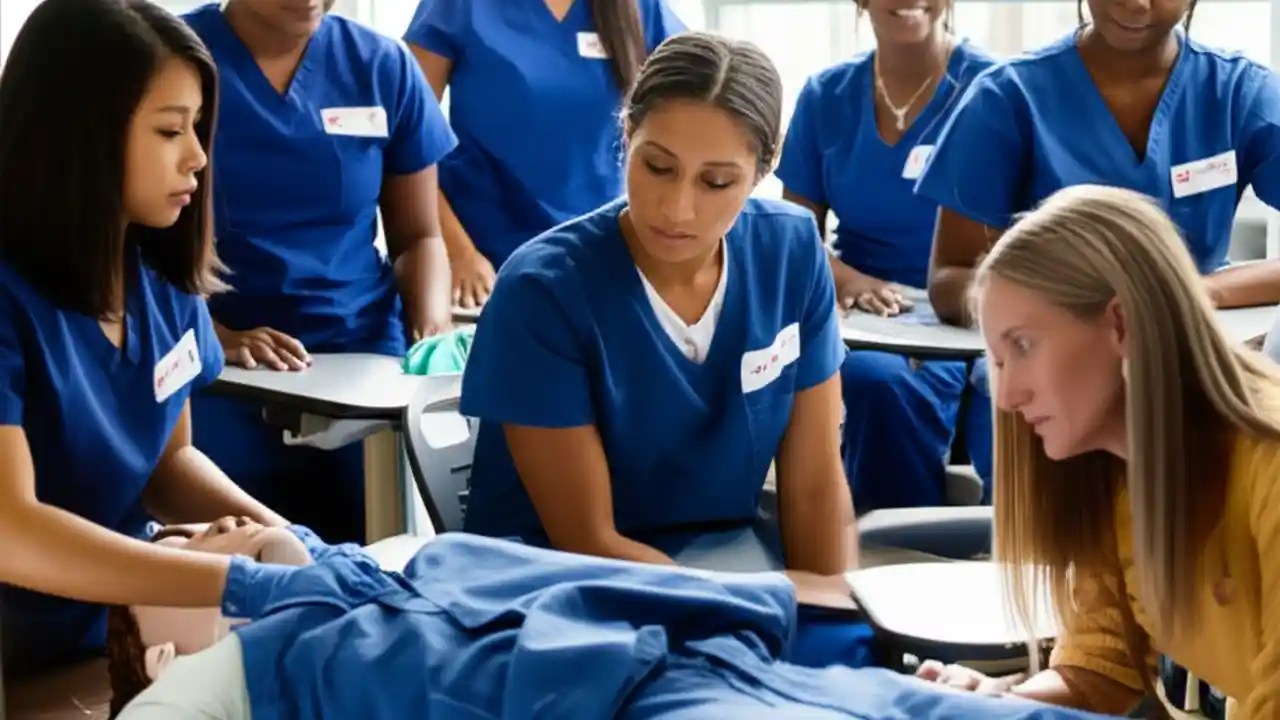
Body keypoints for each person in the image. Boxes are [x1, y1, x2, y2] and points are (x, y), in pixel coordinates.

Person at [459, 31, 852, 577]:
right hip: (559, 593)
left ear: (764, 169)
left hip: (726, 568)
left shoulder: (790, 253)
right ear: (627, 133)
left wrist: (832, 614)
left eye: (716, 182)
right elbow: (587, 540)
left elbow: (813, 489)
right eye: (658, 168)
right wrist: (749, 610)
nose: (677, 209)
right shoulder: (543, 290)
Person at [915, 185, 1279, 720]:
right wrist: (999, 703)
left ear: (1122, 323)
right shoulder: (1110, 469)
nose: (1009, 396)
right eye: (997, 361)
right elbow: (1104, 673)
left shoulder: (1268, 468)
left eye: (1023, 346)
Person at [0, 0, 288, 675]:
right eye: (169, 131)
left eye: (198, 128)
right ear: (78, 135)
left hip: (121, 626)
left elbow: (168, 466)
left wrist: (283, 539)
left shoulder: (160, 280)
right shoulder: (11, 299)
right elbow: (10, 530)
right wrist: (237, 581)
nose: (197, 157)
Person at [182, 0, 458, 543]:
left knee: (378, 535)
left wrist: (431, 331)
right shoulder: (175, 57)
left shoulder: (382, 66)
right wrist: (214, 334)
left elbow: (420, 238)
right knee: (236, 547)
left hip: (361, 355)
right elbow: (132, 241)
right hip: (220, 364)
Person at [918, 0, 1280, 327]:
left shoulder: (1240, 94)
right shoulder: (1006, 97)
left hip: (1193, 351)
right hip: (1049, 367)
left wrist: (1199, 292)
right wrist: (1065, 312)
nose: (1136, 3)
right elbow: (952, 277)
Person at [776, 0, 998, 512]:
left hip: (983, 303)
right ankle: (897, 555)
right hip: (874, 316)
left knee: (1012, 394)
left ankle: (1016, 560)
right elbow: (797, 238)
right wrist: (848, 280)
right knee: (878, 382)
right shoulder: (826, 96)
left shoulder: (997, 88)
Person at [404, 0, 686, 308]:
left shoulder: (642, 8)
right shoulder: (459, 6)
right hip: (486, 265)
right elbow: (404, 144)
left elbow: (697, 110)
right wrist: (457, 253)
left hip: (608, 258)